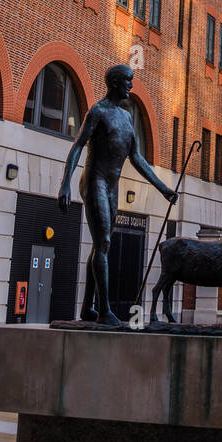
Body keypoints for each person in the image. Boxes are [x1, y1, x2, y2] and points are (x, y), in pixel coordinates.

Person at [58, 64, 177, 325]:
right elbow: (77, 146)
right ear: (113, 83)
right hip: (94, 181)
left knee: (101, 245)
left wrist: (163, 188)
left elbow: (137, 158)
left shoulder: (126, 117)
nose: (131, 86)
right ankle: (104, 310)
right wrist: (65, 183)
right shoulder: (98, 112)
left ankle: (86, 308)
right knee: (104, 245)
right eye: (127, 81)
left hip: (113, 186)